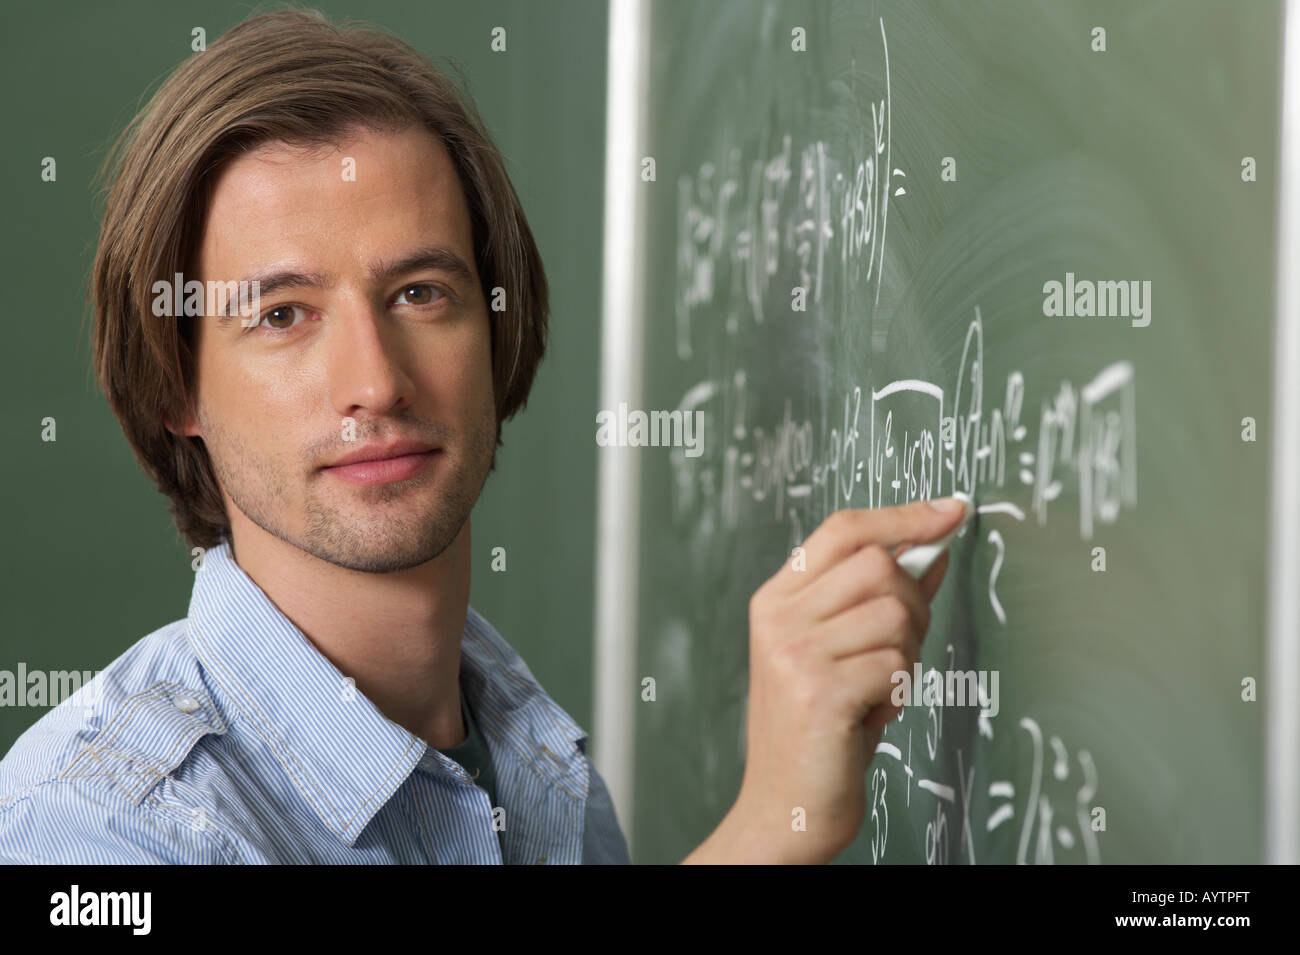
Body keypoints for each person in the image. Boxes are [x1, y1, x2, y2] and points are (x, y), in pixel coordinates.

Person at [0, 8, 964, 864]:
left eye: (420, 294)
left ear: (498, 326)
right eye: (284, 316)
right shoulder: (97, 825)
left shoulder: (533, 763)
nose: (375, 380)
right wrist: (766, 834)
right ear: (179, 389)